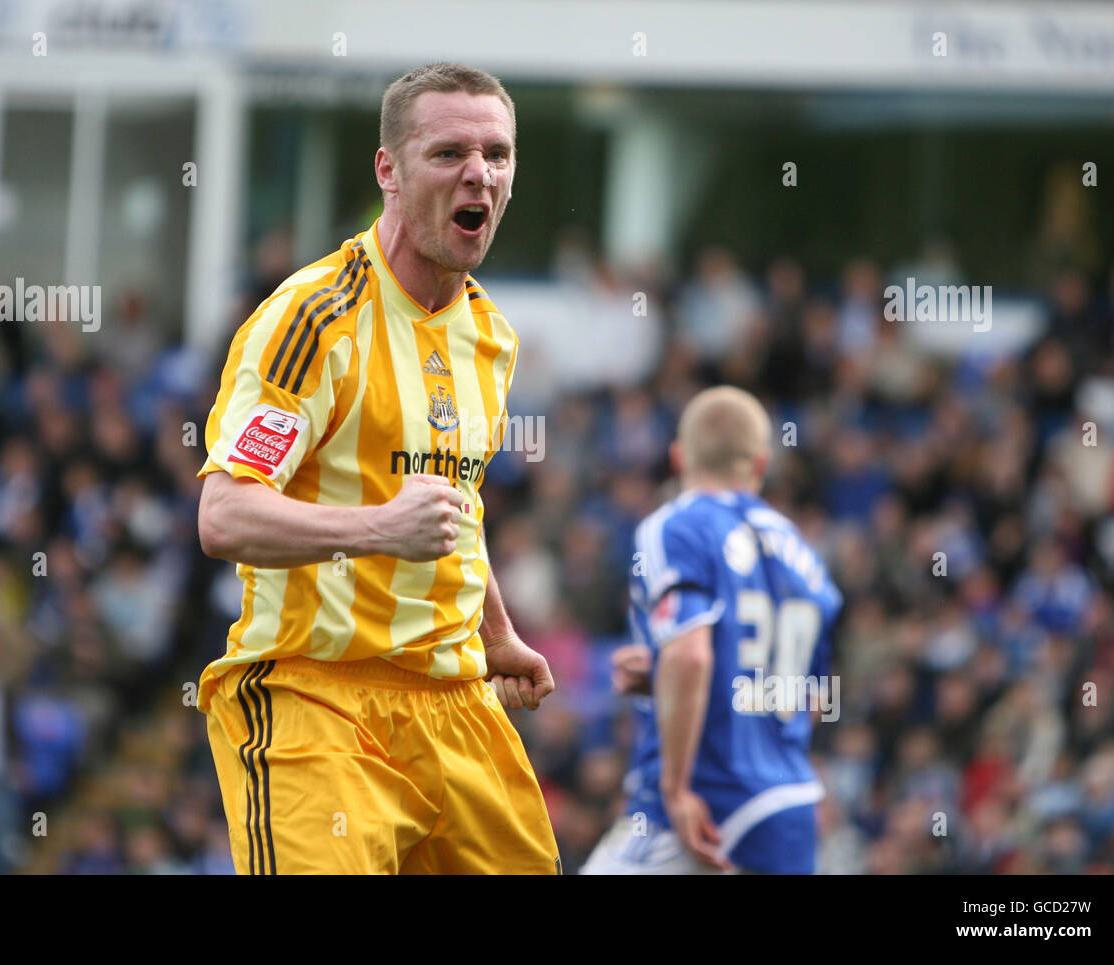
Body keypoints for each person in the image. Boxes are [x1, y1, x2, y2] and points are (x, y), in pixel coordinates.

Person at [194, 63, 560, 874]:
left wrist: (497, 632)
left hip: (456, 700)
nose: (479, 173)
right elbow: (223, 516)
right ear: (388, 171)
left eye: (497, 154)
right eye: (450, 153)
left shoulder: (491, 336)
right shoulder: (316, 317)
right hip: (315, 693)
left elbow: (452, 501)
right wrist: (377, 527)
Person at [581, 386, 842, 874]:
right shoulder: (805, 555)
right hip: (789, 805)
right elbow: (814, 699)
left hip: (704, 802)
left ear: (678, 457)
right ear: (761, 464)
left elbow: (691, 656)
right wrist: (665, 672)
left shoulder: (676, 526)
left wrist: (675, 790)